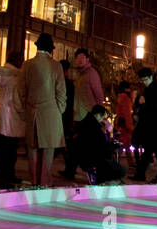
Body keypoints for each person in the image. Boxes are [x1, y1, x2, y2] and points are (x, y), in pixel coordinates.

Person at [23, 33, 67, 185]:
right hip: (50, 112)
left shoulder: (27, 65)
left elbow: (21, 91)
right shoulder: (56, 65)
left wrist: (27, 107)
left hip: (31, 111)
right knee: (48, 151)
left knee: (32, 150)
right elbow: (61, 92)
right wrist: (59, 110)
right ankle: (44, 183)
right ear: (51, 50)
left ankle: (34, 181)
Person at [61, 47, 104, 181]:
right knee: (75, 145)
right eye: (77, 58)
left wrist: (99, 113)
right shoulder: (80, 75)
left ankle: (92, 172)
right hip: (79, 116)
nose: (79, 61)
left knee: (85, 146)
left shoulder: (92, 73)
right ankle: (70, 170)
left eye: (82, 58)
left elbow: (98, 94)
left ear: (87, 59)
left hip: (88, 116)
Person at [0, 54, 26, 187]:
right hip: (12, 117)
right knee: (11, 150)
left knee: (1, 150)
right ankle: (9, 175)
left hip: (0, 114)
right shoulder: (16, 78)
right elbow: (17, 100)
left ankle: (3, 176)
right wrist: (23, 114)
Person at [72, 105, 124, 184]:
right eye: (102, 117)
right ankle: (102, 180)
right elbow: (102, 147)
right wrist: (114, 146)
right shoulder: (94, 127)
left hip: (83, 157)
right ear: (97, 115)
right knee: (121, 170)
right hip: (92, 159)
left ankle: (102, 178)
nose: (103, 120)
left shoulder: (85, 122)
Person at [114, 81, 135, 174]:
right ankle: (130, 164)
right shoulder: (126, 98)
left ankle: (117, 162)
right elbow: (127, 114)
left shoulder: (121, 97)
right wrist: (130, 126)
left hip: (121, 124)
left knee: (123, 145)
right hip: (125, 126)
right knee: (125, 145)